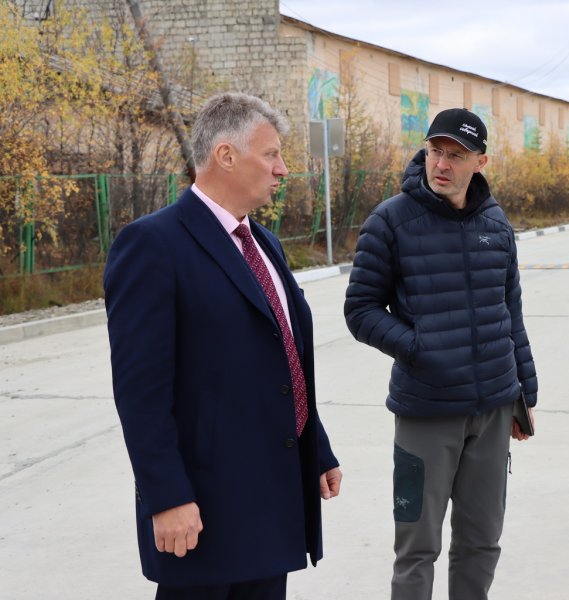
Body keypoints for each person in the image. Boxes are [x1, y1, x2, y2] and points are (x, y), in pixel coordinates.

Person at [104, 92, 342, 600]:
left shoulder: (264, 243)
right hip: (204, 508)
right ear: (226, 155)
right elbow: (139, 392)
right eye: (272, 154)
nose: (283, 169)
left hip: (271, 496)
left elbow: (283, 358)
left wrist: (314, 446)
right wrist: (166, 497)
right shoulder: (153, 245)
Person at [344, 108, 538, 600]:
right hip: (426, 410)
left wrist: (523, 391)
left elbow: (510, 309)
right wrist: (419, 348)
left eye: (456, 155)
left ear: (481, 161)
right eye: (435, 151)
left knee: (481, 541)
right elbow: (361, 309)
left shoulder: (496, 223)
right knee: (416, 547)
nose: (442, 164)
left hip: (493, 408)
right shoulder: (391, 221)